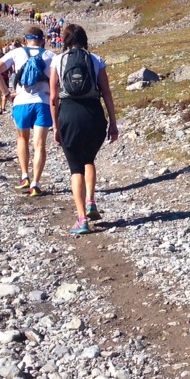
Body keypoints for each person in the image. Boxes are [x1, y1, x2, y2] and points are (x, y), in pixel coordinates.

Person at [50, 23, 118, 234]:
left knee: (75, 167)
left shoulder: (57, 60)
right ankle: (91, 202)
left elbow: (53, 97)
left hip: (69, 115)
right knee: (89, 159)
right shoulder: (96, 60)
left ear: (65, 40)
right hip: (94, 115)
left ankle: (82, 220)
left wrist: (55, 126)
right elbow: (106, 92)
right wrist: (113, 122)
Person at [0, 26, 56, 196]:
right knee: (39, 144)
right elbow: (59, 79)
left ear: (26, 39)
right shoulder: (50, 55)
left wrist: (7, 94)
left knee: (22, 139)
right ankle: (36, 183)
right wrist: (52, 94)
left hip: (21, 102)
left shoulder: (17, 52)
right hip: (42, 102)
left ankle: (24, 176)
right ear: (43, 40)